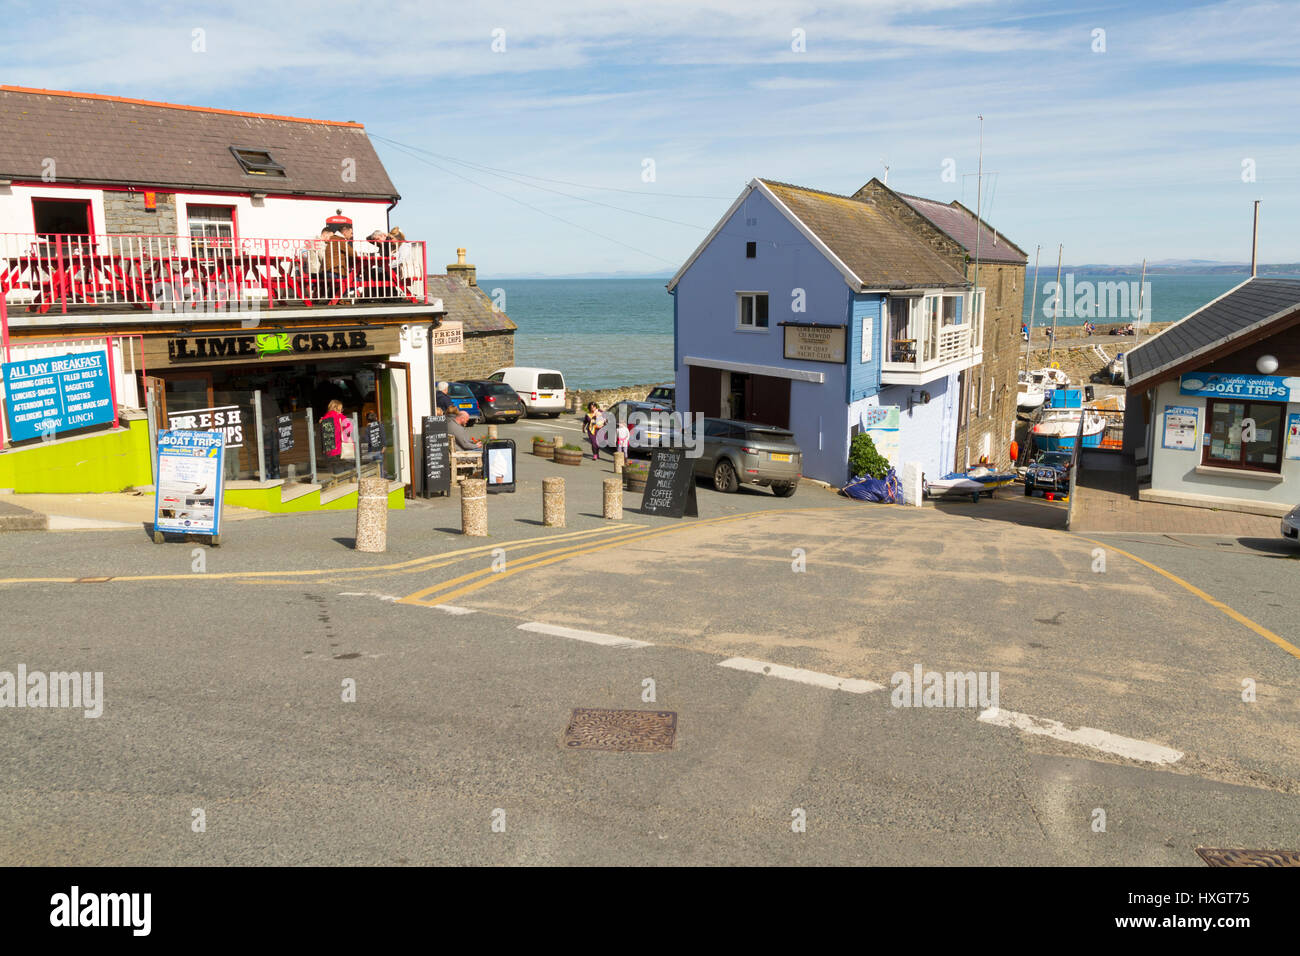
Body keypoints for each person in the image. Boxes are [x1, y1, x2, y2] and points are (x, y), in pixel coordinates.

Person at [319, 399, 354, 473]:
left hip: (330, 449)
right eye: (341, 408)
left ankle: (339, 482)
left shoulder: (324, 418)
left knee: (336, 467)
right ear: (336, 407)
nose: (341, 410)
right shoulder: (341, 417)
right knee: (347, 467)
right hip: (341, 447)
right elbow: (349, 429)